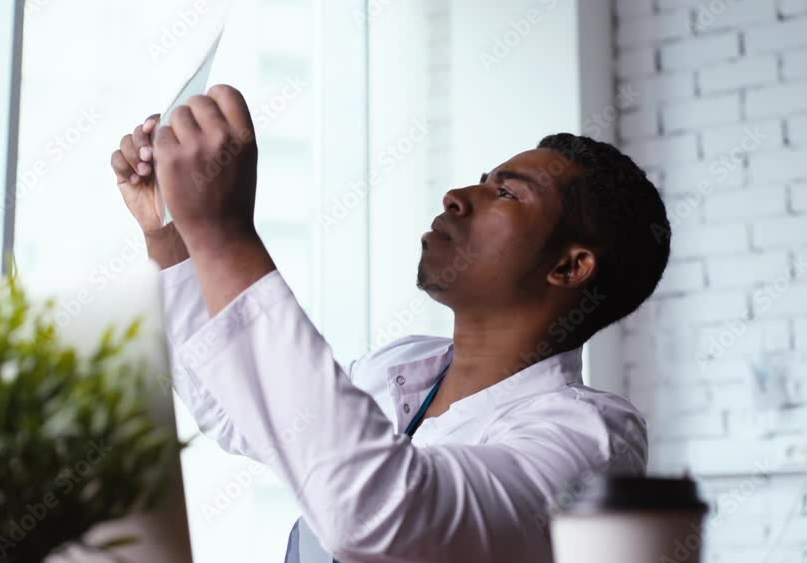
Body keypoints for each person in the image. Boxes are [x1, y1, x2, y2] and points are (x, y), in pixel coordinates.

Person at [110, 84, 670, 563]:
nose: (456, 197)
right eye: (482, 178)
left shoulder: (592, 439)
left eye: (505, 192)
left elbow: (385, 516)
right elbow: (242, 413)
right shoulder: (401, 368)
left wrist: (225, 237)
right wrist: (174, 238)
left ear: (569, 266)